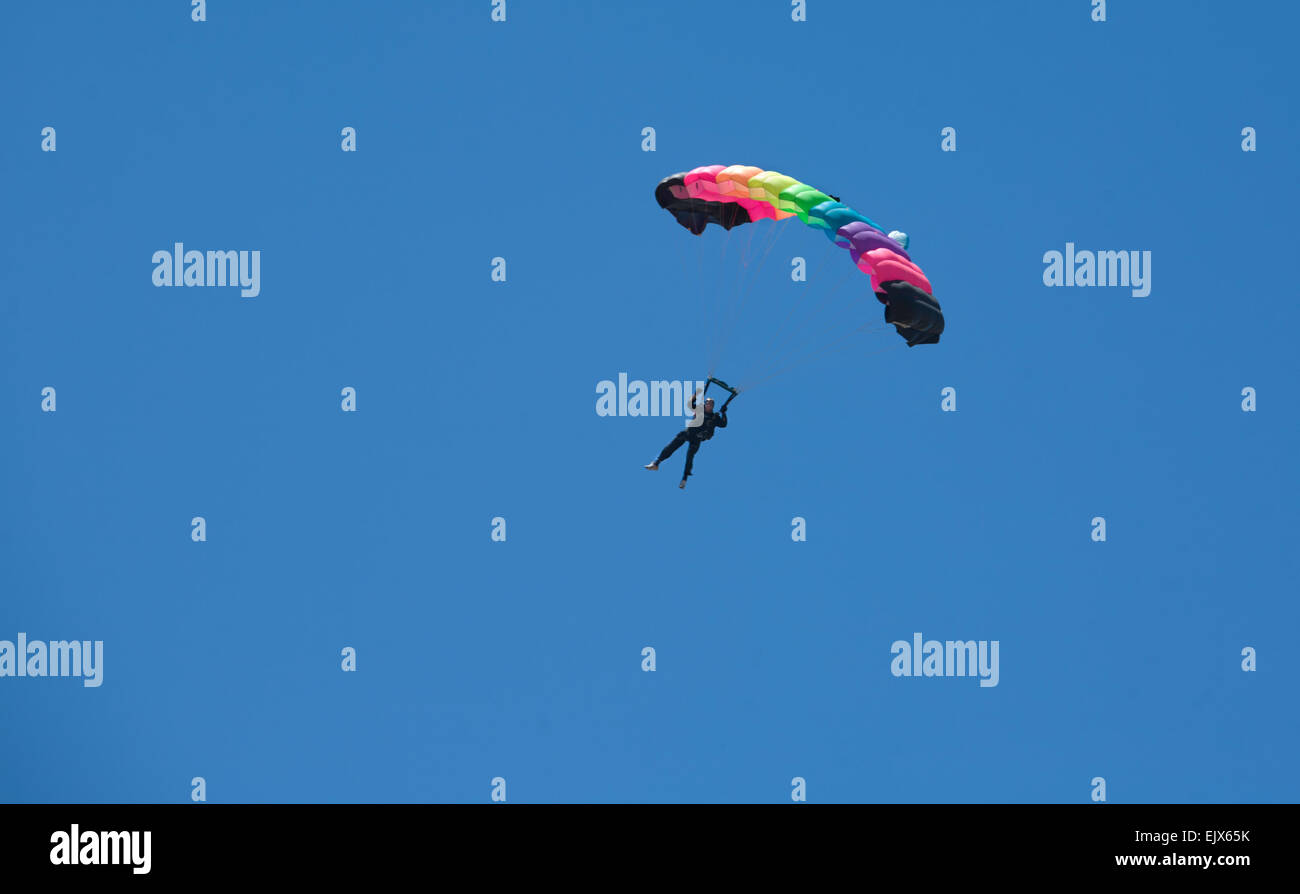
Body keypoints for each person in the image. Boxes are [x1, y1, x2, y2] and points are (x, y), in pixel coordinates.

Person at [645, 393, 728, 489]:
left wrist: (724, 412)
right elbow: (690, 403)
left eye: (712, 404)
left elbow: (723, 424)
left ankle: (684, 479)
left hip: (697, 438)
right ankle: (656, 463)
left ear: (713, 406)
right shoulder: (699, 409)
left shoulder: (715, 417)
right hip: (689, 432)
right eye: (708, 403)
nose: (710, 405)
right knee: (672, 445)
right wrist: (696, 394)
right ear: (705, 404)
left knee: (689, 457)